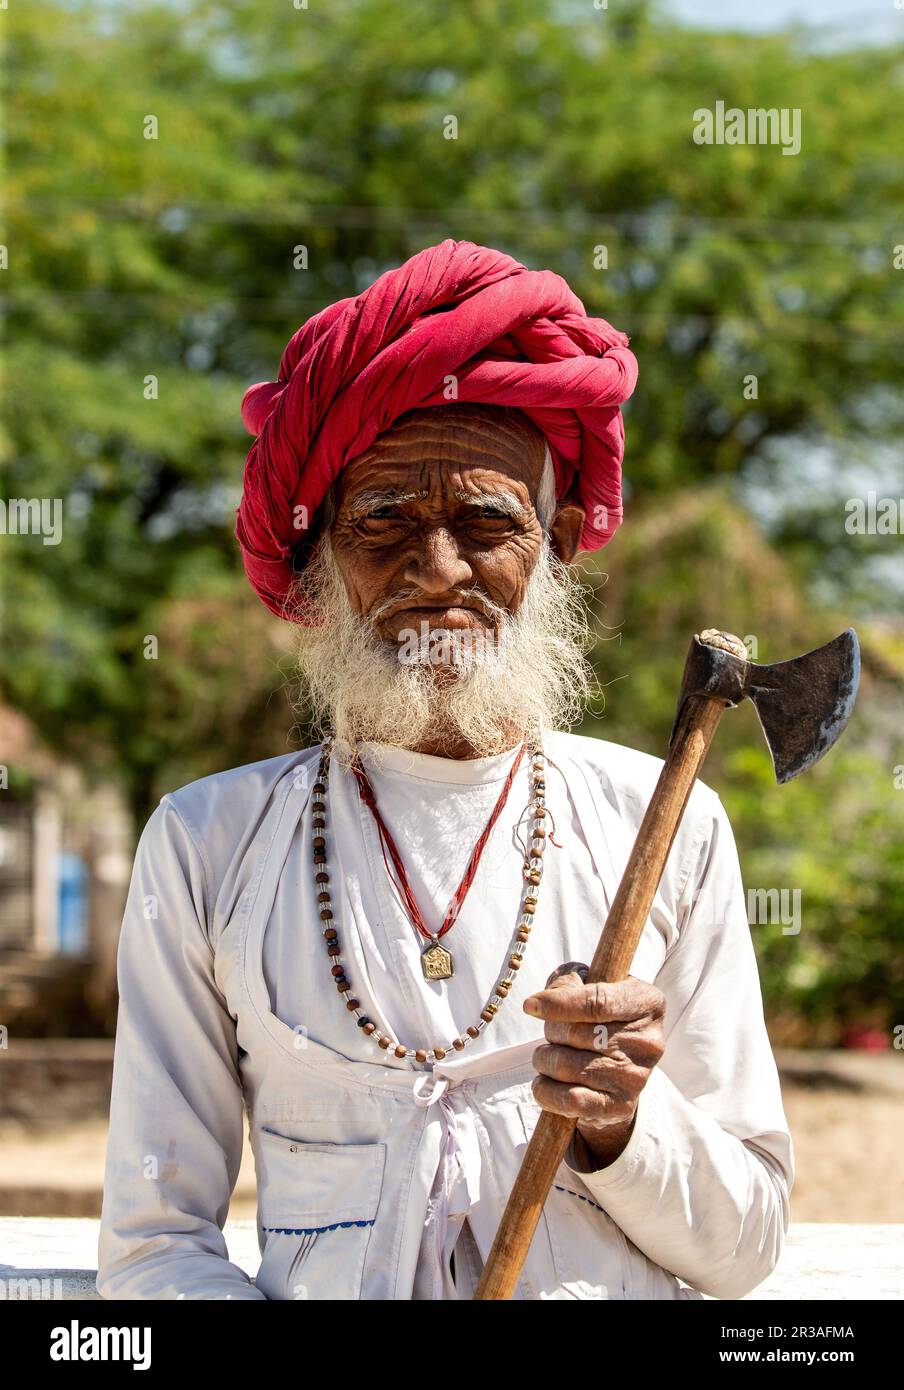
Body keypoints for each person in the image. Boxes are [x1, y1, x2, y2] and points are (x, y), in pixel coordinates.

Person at [96, 240, 792, 1301]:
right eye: (382, 520)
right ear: (318, 549)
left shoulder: (667, 824)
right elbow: (153, 1247)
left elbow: (746, 1249)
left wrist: (618, 1123)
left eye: (485, 522)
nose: (438, 571)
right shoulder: (207, 843)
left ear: (556, 541)